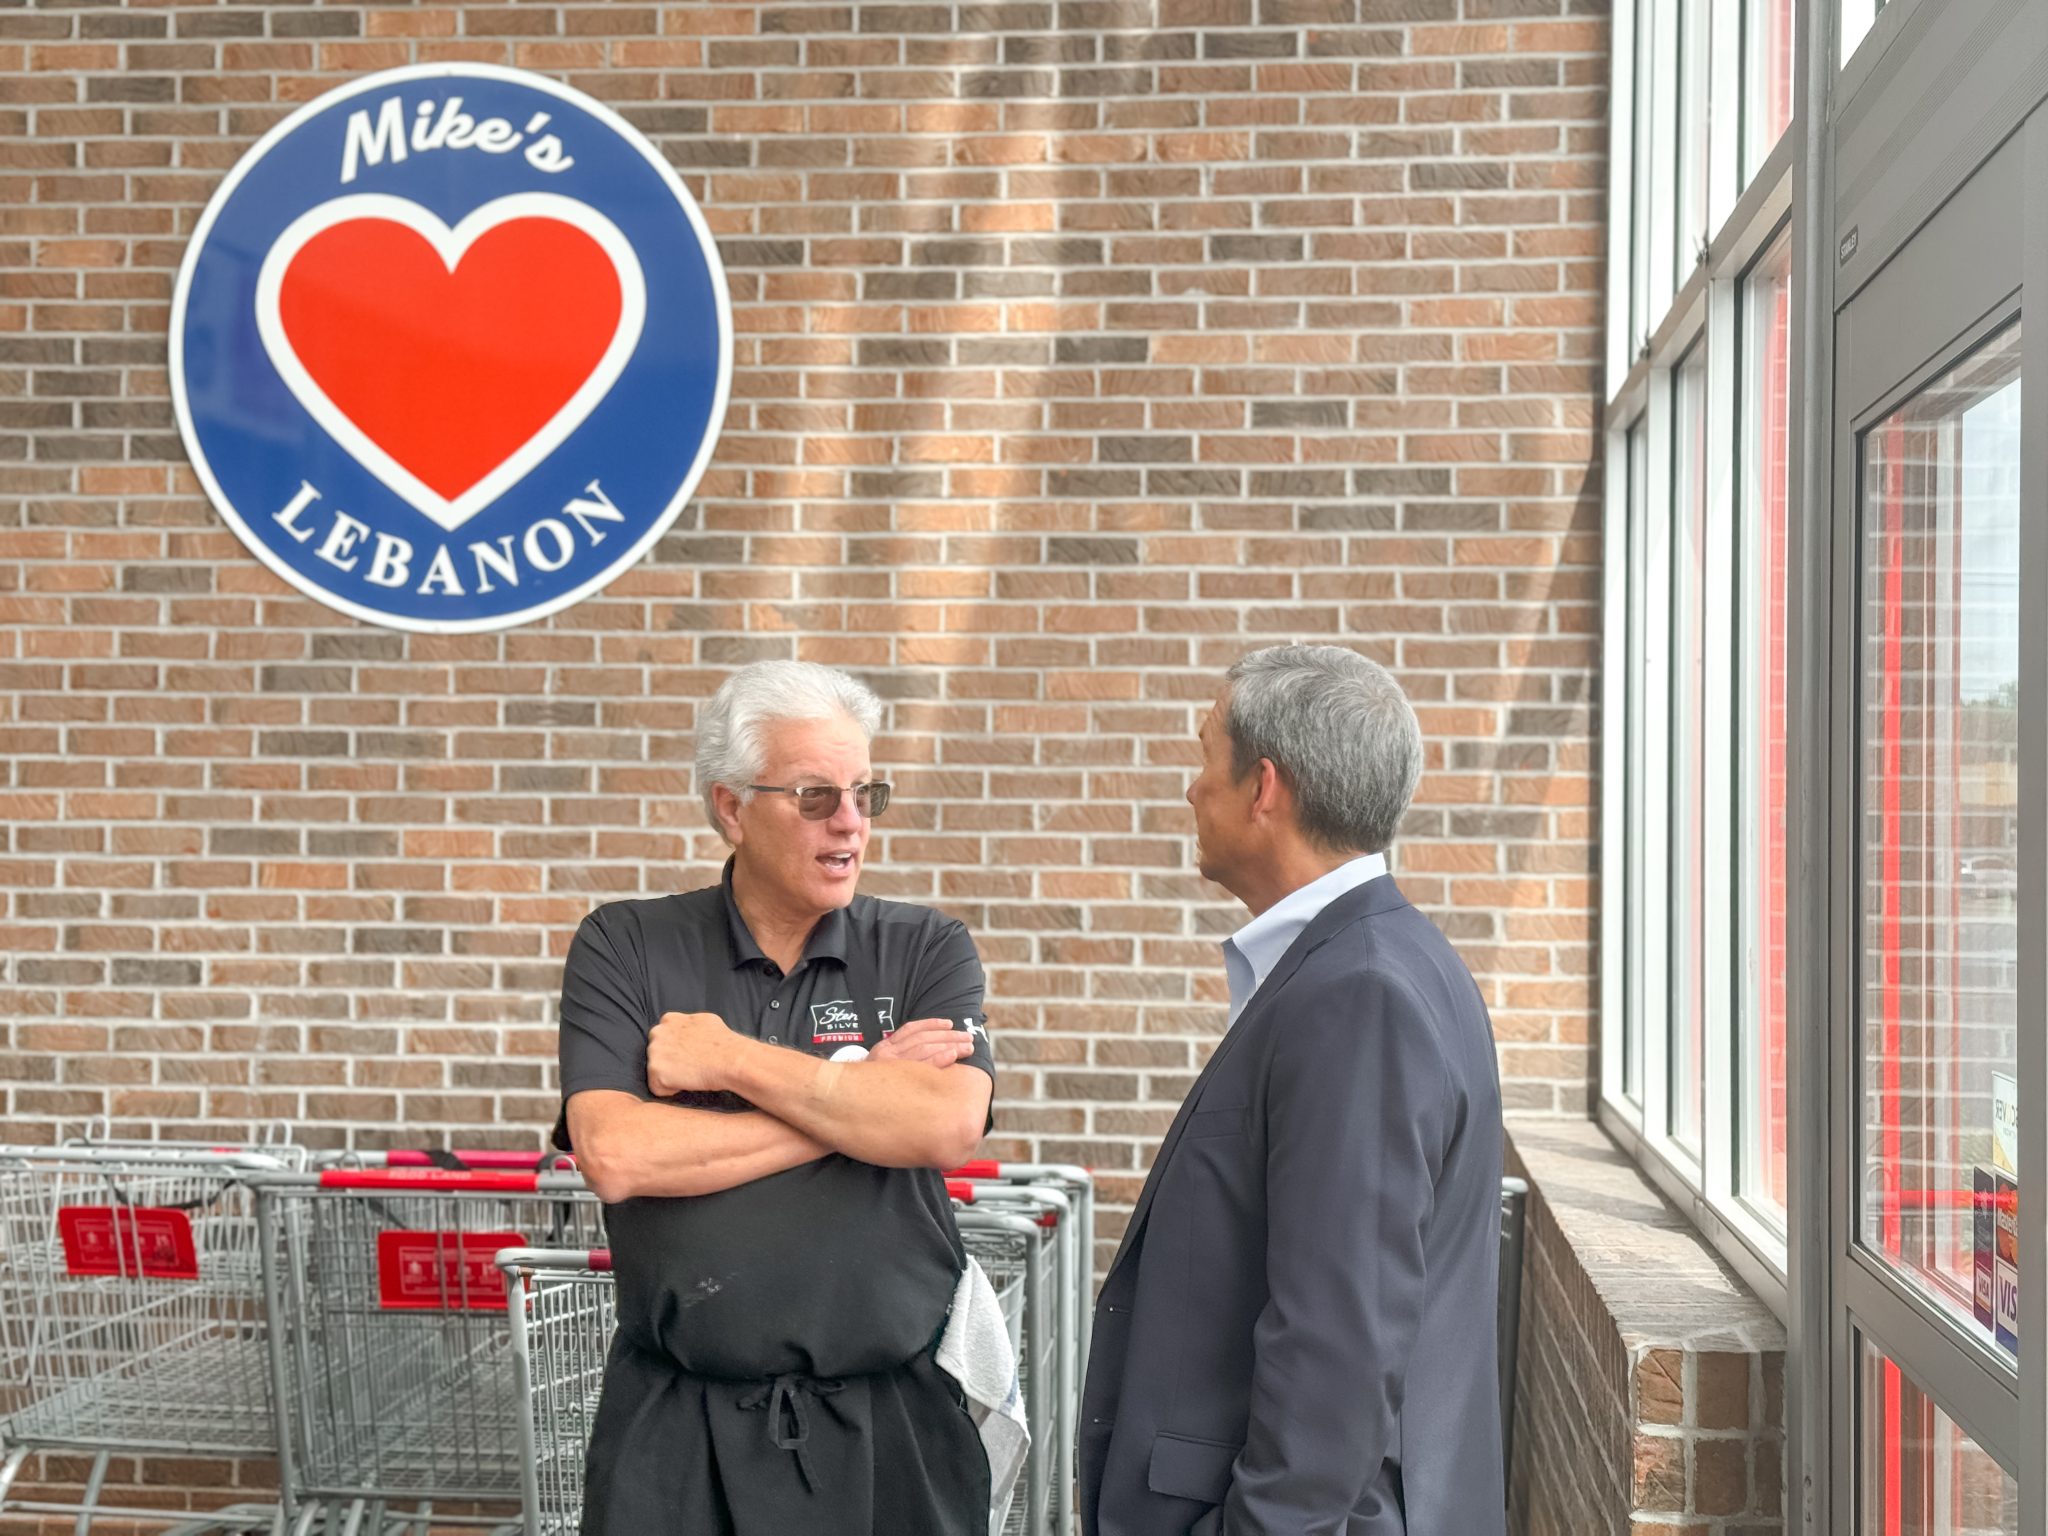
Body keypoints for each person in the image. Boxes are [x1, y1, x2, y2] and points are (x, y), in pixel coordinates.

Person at [555, 660, 997, 1535]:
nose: (851, 824)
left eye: (868, 794)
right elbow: (617, 1155)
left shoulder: (925, 949)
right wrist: (859, 1103)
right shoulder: (625, 945)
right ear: (730, 806)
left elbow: (946, 1124)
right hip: (677, 1430)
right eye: (815, 797)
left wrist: (730, 1060)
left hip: (894, 1422)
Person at [1079, 644, 1507, 1536]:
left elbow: (1336, 1346)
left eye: (1205, 758)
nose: (1192, 790)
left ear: (1263, 787)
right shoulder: (1381, 962)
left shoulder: (1360, 993)